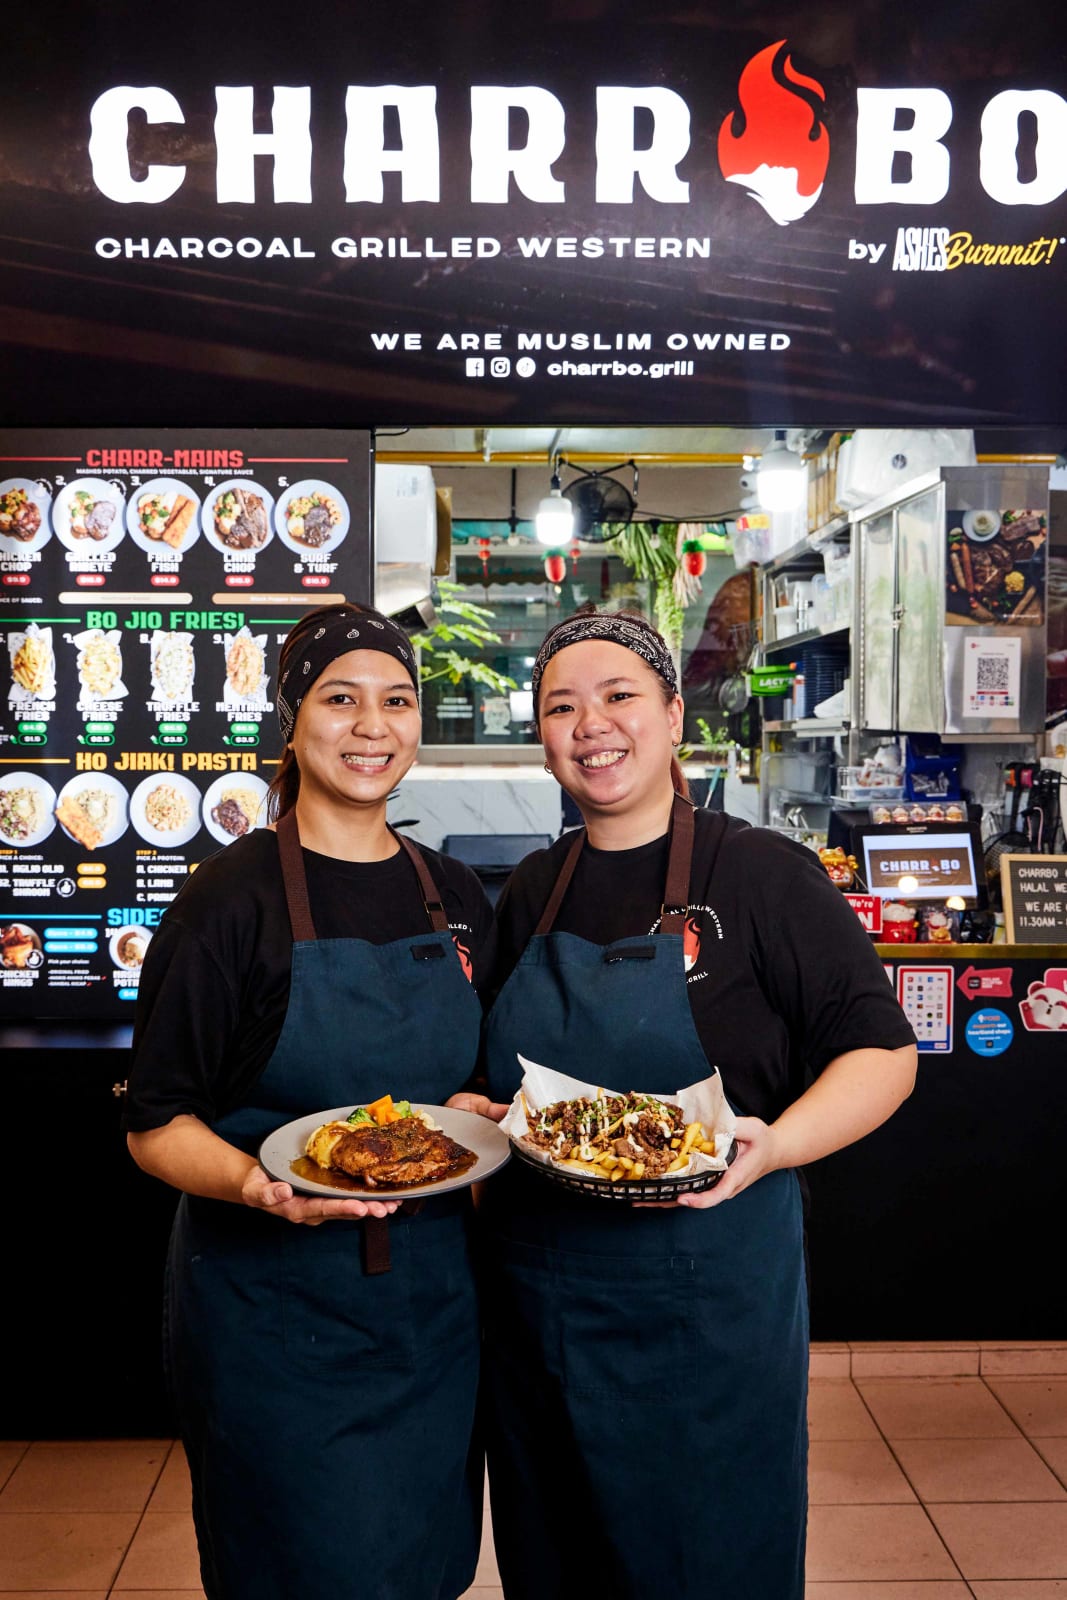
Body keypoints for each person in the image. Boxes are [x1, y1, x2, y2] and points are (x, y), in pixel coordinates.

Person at [478, 605, 918, 1600]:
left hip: (704, 1302)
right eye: (561, 705)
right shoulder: (531, 889)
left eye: (619, 695)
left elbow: (881, 1052)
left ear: (673, 714)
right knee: (559, 1559)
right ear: (541, 732)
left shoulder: (759, 873)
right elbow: (493, 1079)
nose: (591, 723)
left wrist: (777, 1142)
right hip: (539, 1301)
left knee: (707, 1562)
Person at [124, 603, 494, 1600]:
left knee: (421, 1566)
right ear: (292, 719)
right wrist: (258, 1185)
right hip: (276, 1321)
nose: (371, 726)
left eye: (397, 700)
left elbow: (472, 1084)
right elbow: (155, 1122)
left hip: (431, 1310)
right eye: (340, 698)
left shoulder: (454, 893)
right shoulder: (226, 901)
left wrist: (477, 1109)